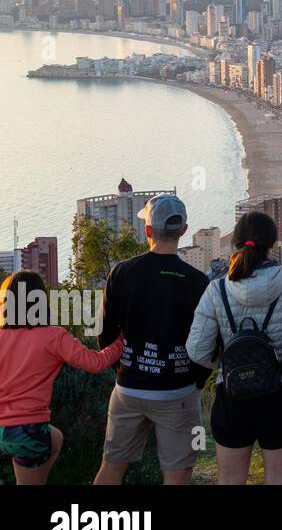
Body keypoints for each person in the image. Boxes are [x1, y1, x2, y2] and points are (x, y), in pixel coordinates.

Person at [186, 210, 282, 485]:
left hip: (233, 394)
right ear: (273, 245)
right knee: (281, 480)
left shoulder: (216, 290)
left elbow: (196, 349)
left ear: (237, 243)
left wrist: (229, 362)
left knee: (230, 480)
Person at [95, 193, 211, 485]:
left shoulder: (121, 272)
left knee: (111, 468)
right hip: (178, 392)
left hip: (128, 390)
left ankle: (89, 529)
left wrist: (124, 369)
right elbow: (208, 343)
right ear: (183, 230)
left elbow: (105, 334)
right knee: (177, 475)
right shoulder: (198, 282)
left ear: (148, 230)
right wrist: (195, 381)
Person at [0, 271, 124, 484]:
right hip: (27, 430)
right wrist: (121, 342)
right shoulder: (53, 336)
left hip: (4, 428)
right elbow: (96, 363)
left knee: (55, 438)